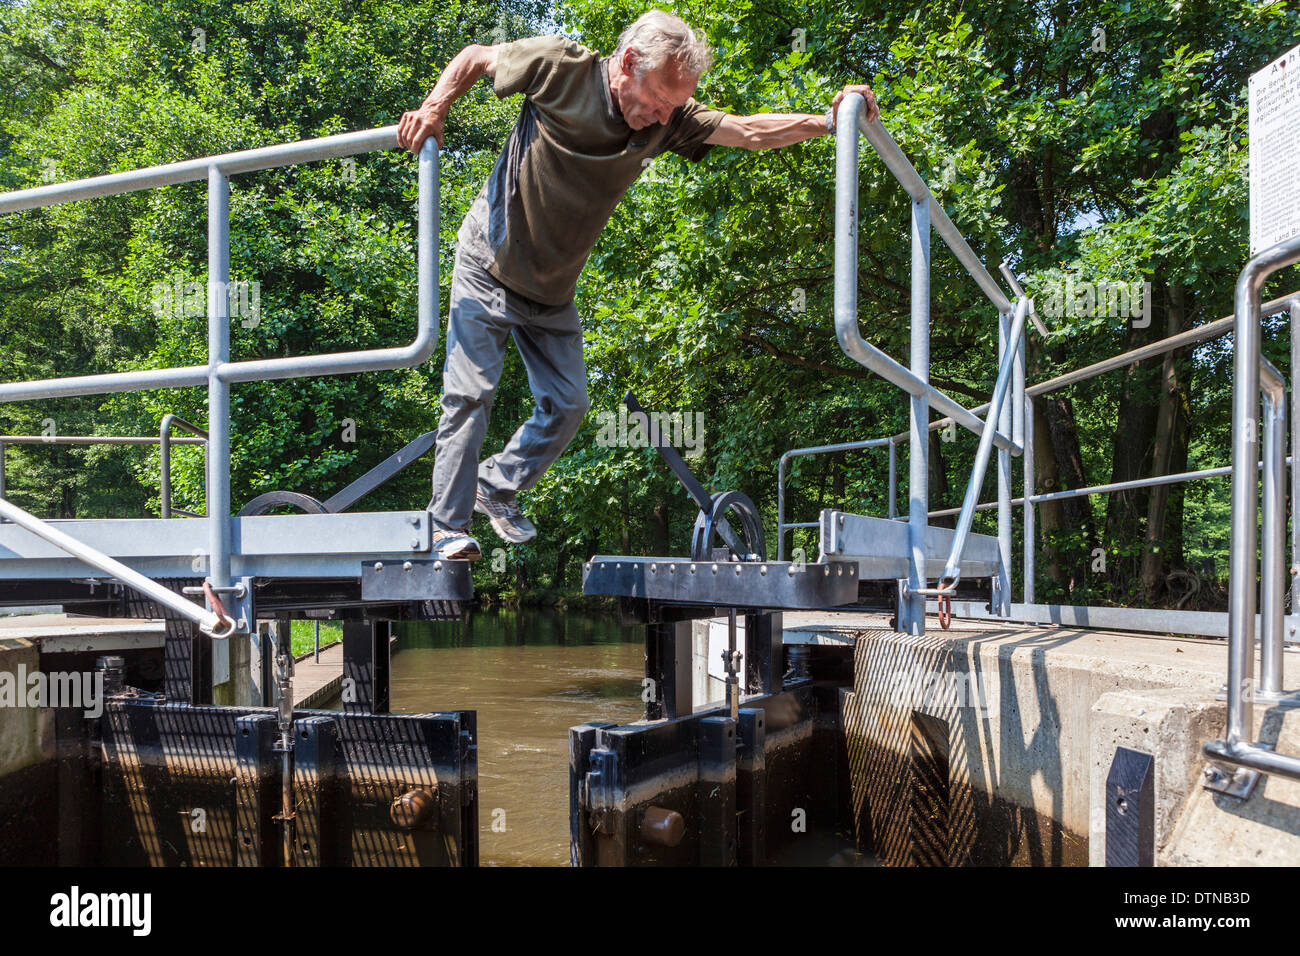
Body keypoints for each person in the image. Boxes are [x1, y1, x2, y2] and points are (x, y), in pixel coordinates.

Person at [396, 9, 879, 560]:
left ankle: (496, 484)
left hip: (552, 290)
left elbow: (745, 131)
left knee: (569, 403)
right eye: (657, 100)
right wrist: (435, 108)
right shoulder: (561, 67)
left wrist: (829, 121)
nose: (661, 116)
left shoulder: (668, 120)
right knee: (472, 392)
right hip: (491, 261)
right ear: (626, 63)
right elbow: (477, 57)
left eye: (673, 107)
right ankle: (444, 528)